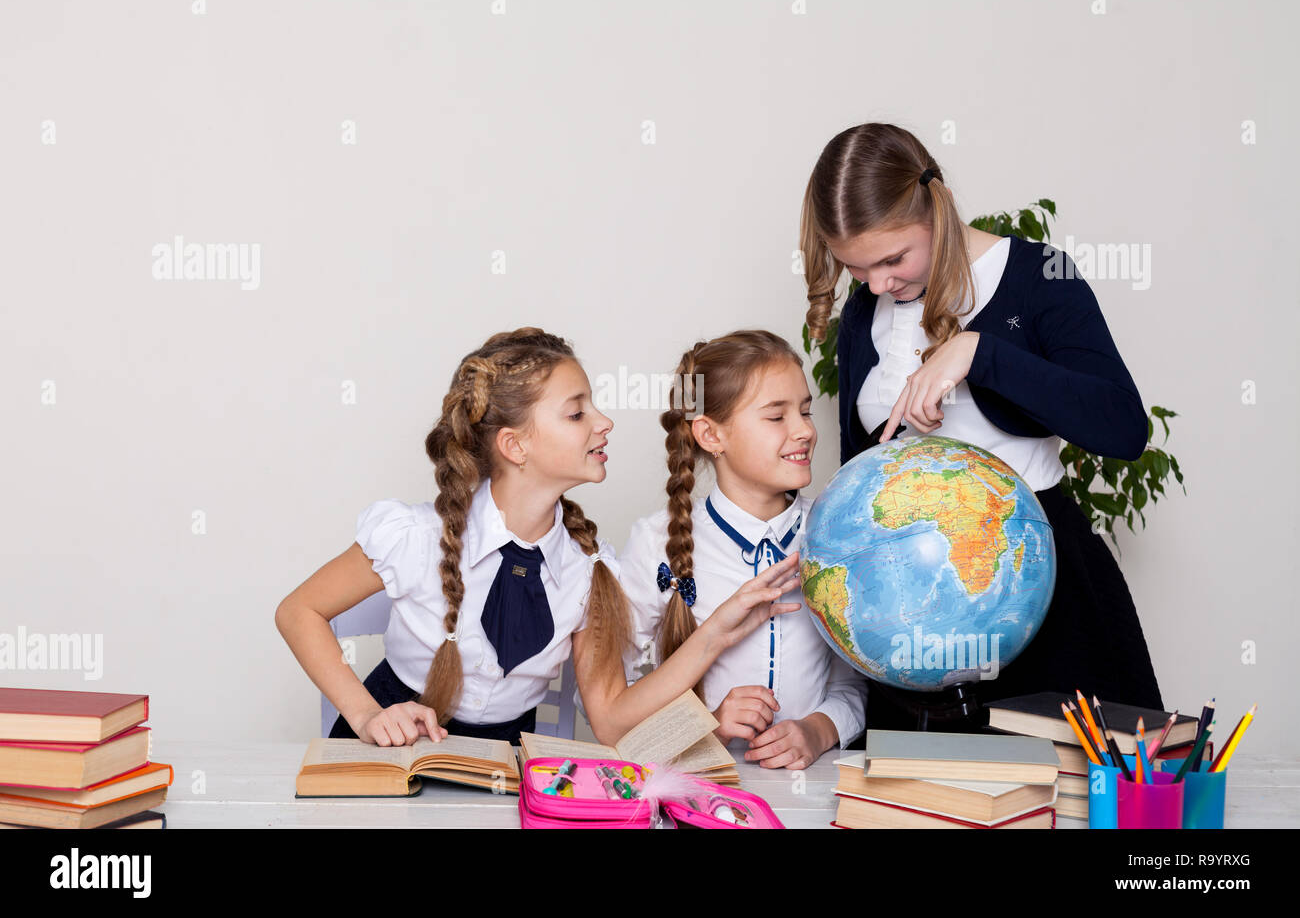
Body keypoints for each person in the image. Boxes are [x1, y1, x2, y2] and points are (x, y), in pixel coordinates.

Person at [798, 122, 1163, 732]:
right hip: (904, 625)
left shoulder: (1039, 275)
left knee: (1072, 808)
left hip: (1041, 594)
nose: (880, 284)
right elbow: (861, 471)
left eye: (892, 259)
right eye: (856, 269)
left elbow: (1122, 427)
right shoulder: (865, 310)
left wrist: (978, 354)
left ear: (934, 208)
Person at [275, 327, 803, 747]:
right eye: (577, 413)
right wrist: (367, 715)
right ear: (514, 445)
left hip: (502, 772)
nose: (605, 422)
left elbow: (613, 722)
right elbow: (298, 611)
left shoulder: (589, 571)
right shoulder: (416, 535)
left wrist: (713, 634)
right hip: (388, 752)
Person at [619, 330, 867, 769]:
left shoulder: (838, 531)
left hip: (813, 791)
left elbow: (856, 677)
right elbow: (605, 701)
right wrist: (705, 725)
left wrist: (821, 728)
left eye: (806, 411)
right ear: (712, 435)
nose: (805, 430)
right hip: (695, 790)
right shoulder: (655, 541)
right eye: (777, 417)